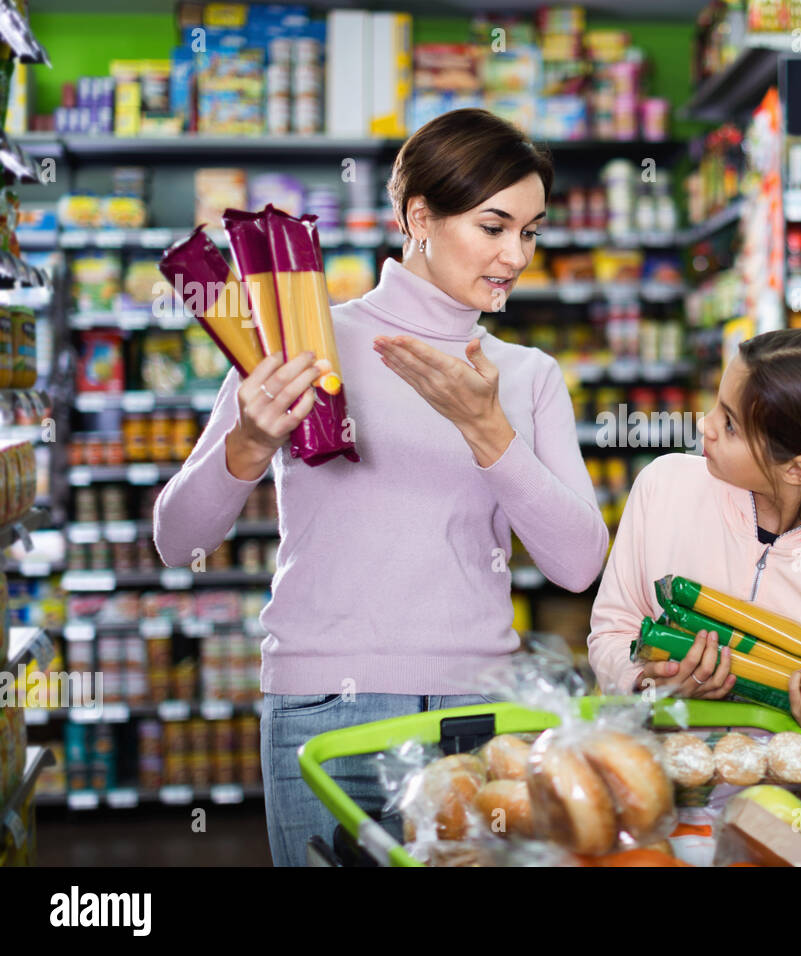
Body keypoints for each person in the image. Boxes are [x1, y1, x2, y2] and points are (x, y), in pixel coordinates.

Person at [154, 109, 609, 866]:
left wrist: (488, 432)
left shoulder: (526, 376)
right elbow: (178, 542)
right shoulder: (297, 341)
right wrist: (249, 442)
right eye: (494, 226)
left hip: (477, 711)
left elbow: (578, 564)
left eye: (529, 232)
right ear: (418, 216)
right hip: (321, 706)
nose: (515, 255)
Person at [587, 327, 801, 790]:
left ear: (796, 469)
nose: (705, 425)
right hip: (655, 811)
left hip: (792, 833)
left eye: (730, 424)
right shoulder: (664, 487)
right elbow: (611, 629)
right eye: (717, 404)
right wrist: (648, 683)